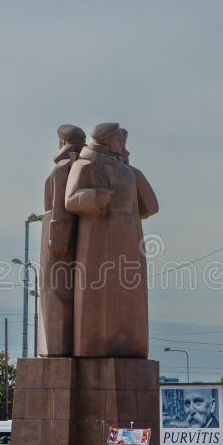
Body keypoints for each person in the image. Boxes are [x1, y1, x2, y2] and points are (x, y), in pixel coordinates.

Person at [65, 123, 159, 358]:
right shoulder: (84, 166)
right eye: (120, 140)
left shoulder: (128, 172)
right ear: (107, 140)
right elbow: (70, 200)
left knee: (127, 295)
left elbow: (150, 206)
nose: (123, 145)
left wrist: (132, 173)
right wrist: (94, 197)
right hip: (96, 244)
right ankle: (93, 345)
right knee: (96, 294)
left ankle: (128, 343)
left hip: (127, 244)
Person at [38, 124, 85, 356]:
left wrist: (57, 236)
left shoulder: (63, 168)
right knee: (68, 295)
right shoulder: (82, 167)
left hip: (57, 240)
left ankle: (55, 347)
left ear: (63, 142)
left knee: (54, 294)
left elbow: (59, 207)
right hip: (77, 237)